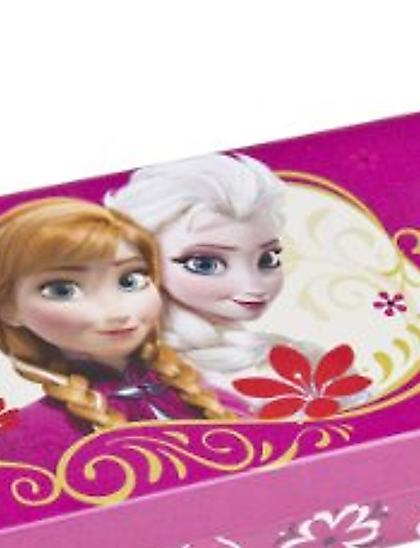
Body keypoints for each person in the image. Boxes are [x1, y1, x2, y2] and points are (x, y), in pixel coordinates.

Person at [0, 197, 237, 467]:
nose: (116, 311)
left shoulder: (204, 395)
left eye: (131, 280)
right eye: (63, 290)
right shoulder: (33, 433)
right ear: (8, 308)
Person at [106, 152, 298, 393]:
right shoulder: (133, 369)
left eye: (267, 259)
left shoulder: (286, 357)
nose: (253, 286)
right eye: (205, 264)